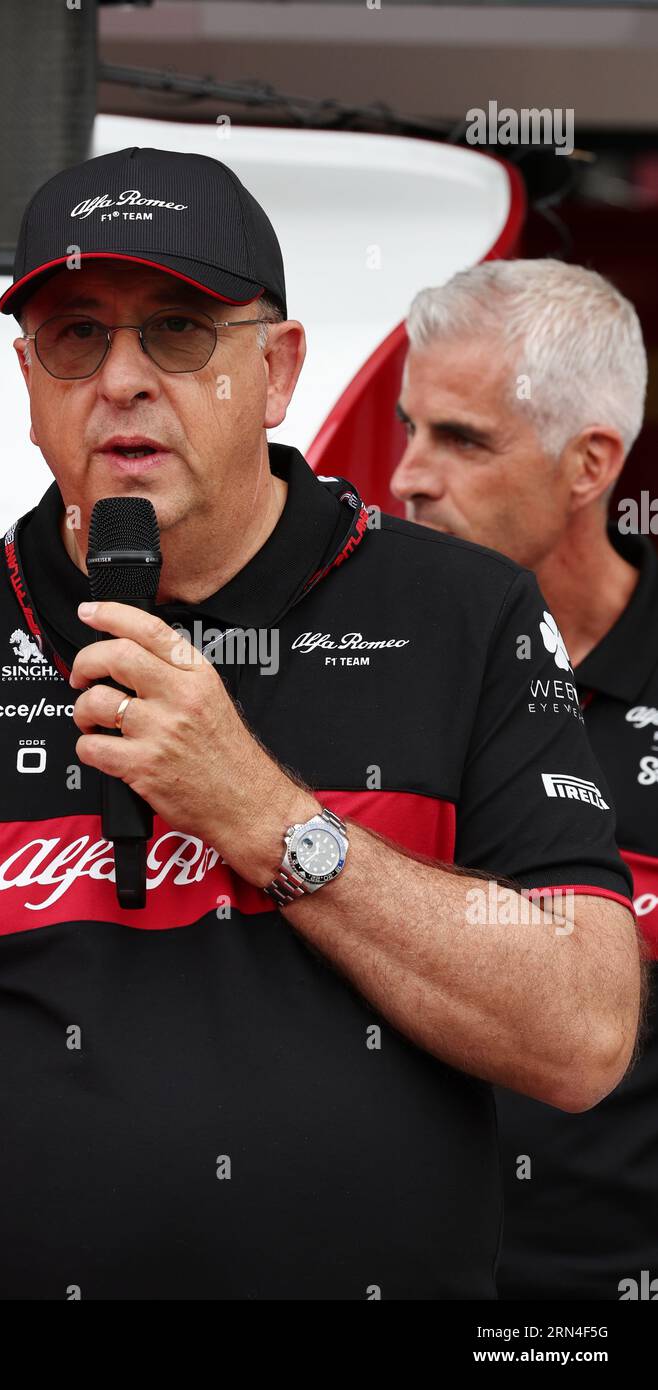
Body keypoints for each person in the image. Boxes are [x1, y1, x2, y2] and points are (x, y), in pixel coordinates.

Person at [0, 151, 642, 1301]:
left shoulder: (463, 618)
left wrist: (266, 817)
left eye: (179, 331)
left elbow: (582, 1034)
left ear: (278, 367)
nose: (122, 379)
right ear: (28, 377)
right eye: (74, 336)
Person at [390, 256, 657, 1300]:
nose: (409, 474)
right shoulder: (351, 659)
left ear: (588, 463)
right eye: (409, 428)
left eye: (459, 439)